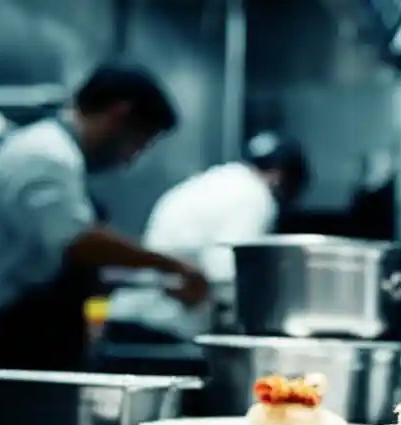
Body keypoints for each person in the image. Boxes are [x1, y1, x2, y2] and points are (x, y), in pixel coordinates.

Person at [0, 64, 209, 371]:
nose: (132, 158)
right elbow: (78, 242)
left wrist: (155, 283)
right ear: (119, 115)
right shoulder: (45, 155)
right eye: (139, 142)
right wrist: (173, 265)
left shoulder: (54, 151)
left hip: (7, 326)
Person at [103, 132, 310, 344]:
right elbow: (227, 273)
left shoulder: (214, 182)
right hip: (162, 327)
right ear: (283, 176)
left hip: (130, 315)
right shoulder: (255, 198)